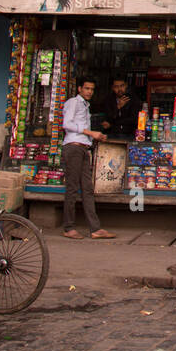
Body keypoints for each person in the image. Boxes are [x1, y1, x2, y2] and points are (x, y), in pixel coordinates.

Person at [61, 78, 114, 239]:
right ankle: (69, 227)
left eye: (92, 89)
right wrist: (91, 133)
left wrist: (94, 137)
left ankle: (95, 228)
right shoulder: (73, 103)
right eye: (86, 88)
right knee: (71, 188)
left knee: (88, 189)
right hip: (73, 147)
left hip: (83, 148)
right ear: (79, 89)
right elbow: (66, 124)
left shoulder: (85, 105)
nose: (89, 91)